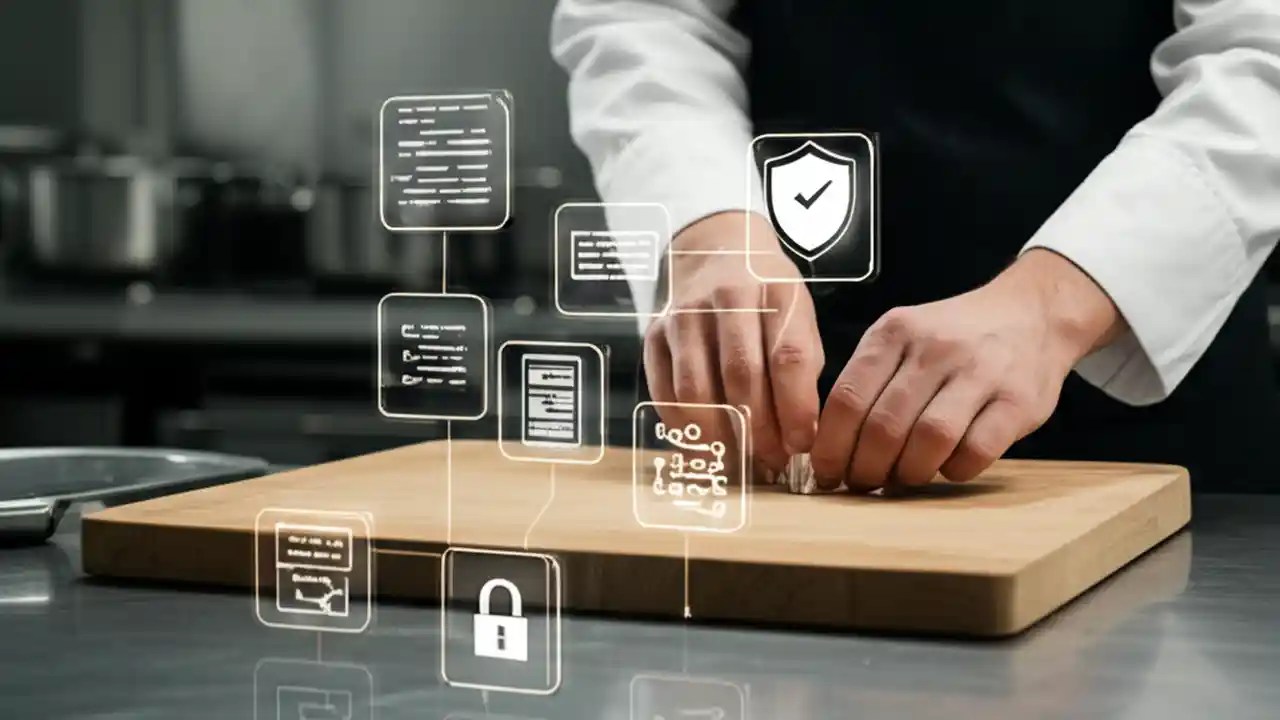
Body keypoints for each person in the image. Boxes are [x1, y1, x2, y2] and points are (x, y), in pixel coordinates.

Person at [551, 0, 1280, 492]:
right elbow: (644, 17)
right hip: (773, 400)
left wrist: (1054, 304)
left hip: (1143, 413)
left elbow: (1260, 54)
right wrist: (706, 226)